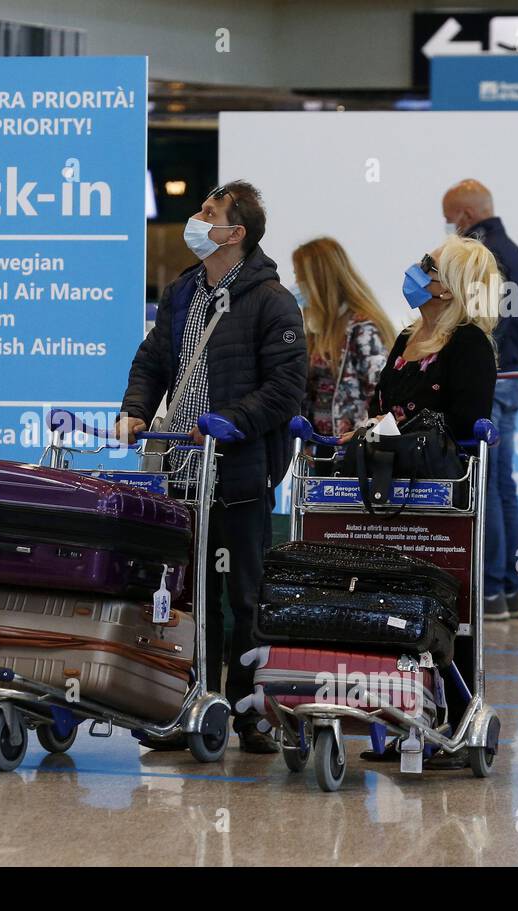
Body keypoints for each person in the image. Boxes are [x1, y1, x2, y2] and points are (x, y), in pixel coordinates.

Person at [117, 181, 306, 754]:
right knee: (182, 593)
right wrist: (134, 410)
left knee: (242, 597)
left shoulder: (272, 301)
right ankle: (185, 703)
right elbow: (152, 360)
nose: (196, 219)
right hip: (180, 471)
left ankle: (249, 713)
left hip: (239, 473)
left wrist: (231, 420)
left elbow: (286, 388)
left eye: (208, 212)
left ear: (235, 232)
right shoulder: (183, 292)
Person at [444, 179, 518, 621]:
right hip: (515, 377)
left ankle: (493, 590)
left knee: (487, 486)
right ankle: (513, 589)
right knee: (505, 485)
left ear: (464, 215)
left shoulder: (484, 258)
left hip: (490, 380)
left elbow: (480, 326)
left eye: (450, 219)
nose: (449, 229)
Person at [367, 235, 498, 439]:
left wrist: (394, 429)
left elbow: (466, 421)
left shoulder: (470, 344)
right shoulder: (408, 336)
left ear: (447, 290)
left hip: (434, 466)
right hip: (385, 461)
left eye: (428, 265)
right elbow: (379, 403)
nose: (417, 267)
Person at [290, 237, 395, 438]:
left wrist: (363, 435)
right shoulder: (317, 329)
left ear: (319, 279)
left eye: (299, 276)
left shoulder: (363, 328)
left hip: (354, 446)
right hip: (321, 446)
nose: (296, 284)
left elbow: (382, 392)